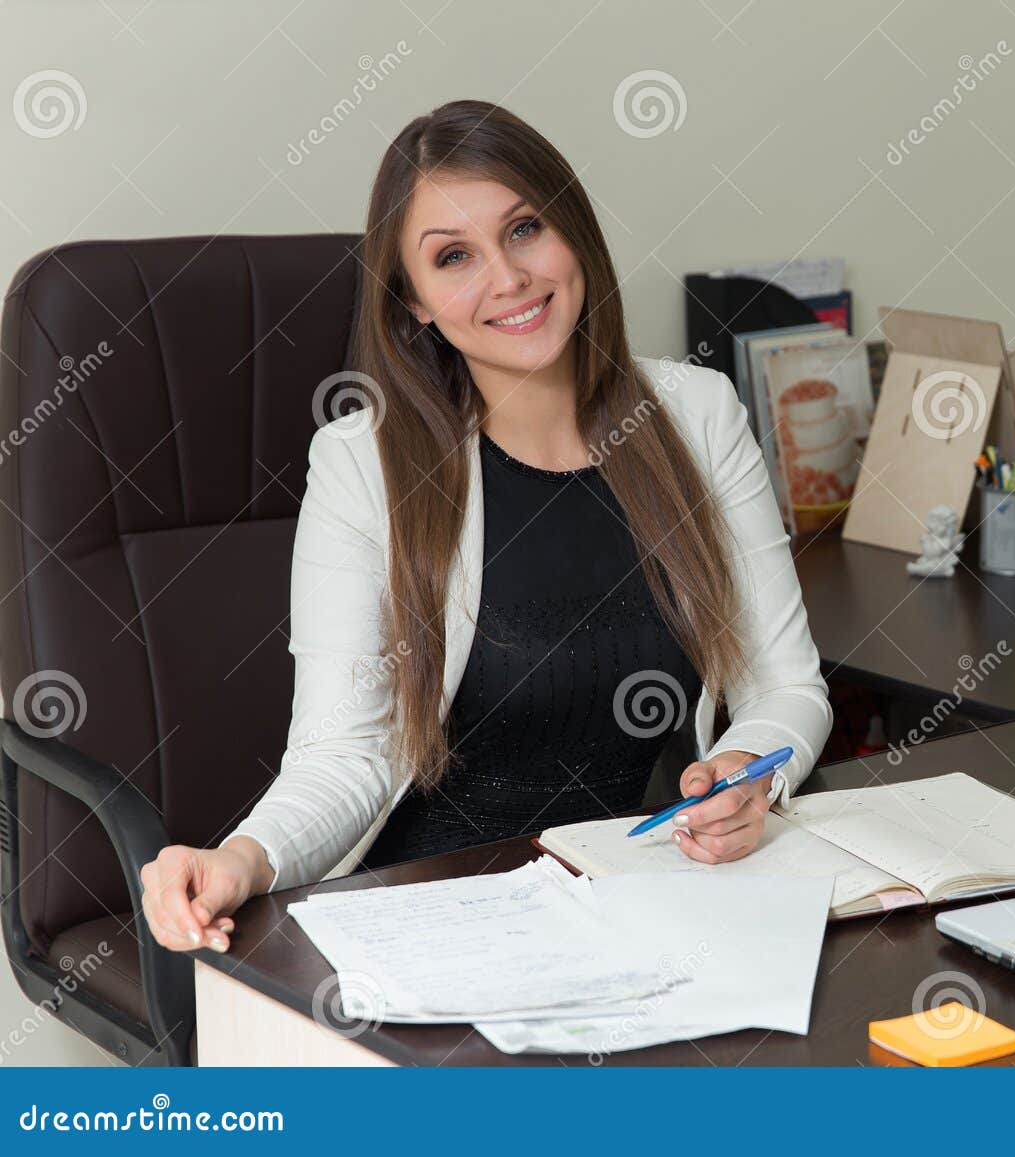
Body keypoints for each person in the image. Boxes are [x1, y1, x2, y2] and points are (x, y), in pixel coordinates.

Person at [138, 100, 831, 955]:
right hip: (440, 918)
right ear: (416, 302)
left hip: (643, 896)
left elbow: (785, 686)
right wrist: (242, 858)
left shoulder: (696, 415)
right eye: (455, 257)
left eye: (526, 228)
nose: (507, 279)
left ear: (574, 233)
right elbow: (342, 755)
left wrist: (747, 770)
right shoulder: (365, 464)